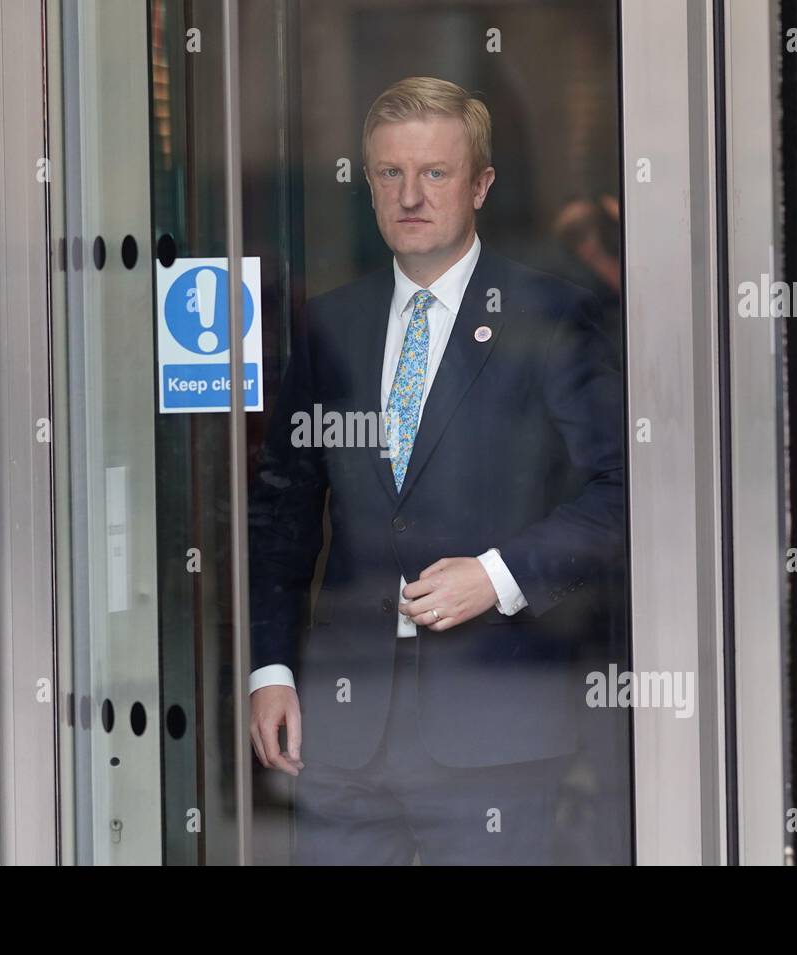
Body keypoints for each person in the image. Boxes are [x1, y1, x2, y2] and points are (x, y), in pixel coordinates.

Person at [248, 76, 625, 865]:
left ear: (481, 184)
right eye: (390, 173)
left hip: (495, 734)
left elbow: (618, 496)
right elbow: (280, 512)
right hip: (344, 734)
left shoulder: (551, 318)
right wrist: (272, 668)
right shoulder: (331, 324)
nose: (410, 195)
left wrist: (497, 575)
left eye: (435, 173)